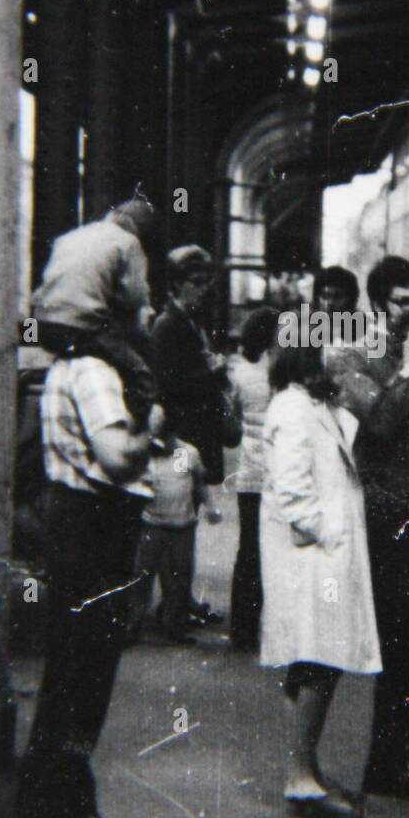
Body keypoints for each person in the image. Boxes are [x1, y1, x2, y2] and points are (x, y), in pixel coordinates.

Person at [10, 352, 160, 818]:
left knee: (82, 675)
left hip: (81, 522)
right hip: (95, 524)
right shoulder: (95, 370)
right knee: (78, 676)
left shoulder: (75, 366)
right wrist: (153, 428)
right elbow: (118, 458)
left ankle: (69, 808)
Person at [334, 257, 409, 804]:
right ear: (380, 302)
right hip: (386, 518)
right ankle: (408, 747)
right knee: (403, 641)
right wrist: (408, 369)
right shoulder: (352, 355)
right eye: (404, 301)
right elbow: (382, 423)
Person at [260, 340, 382, 818]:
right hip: (310, 559)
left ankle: (307, 769)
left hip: (319, 558)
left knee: (319, 660)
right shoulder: (292, 409)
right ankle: (300, 779)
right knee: (316, 661)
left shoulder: (312, 403)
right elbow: (292, 490)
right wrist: (329, 531)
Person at [149, 245, 233, 623]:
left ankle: (179, 600)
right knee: (180, 517)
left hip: (195, 433)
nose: (204, 290)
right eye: (196, 283)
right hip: (183, 438)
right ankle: (175, 604)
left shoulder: (188, 321)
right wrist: (214, 373)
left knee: (186, 516)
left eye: (207, 283)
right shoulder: (169, 326)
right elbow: (170, 382)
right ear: (178, 284)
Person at [31, 199, 158, 425]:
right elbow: (133, 298)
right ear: (138, 228)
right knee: (141, 377)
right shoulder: (128, 242)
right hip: (80, 328)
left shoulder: (69, 237)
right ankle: (131, 440)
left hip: (42, 327)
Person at [133, 433, 220, 643]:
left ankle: (174, 626)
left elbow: (197, 482)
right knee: (141, 578)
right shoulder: (144, 454)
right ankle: (131, 625)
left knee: (180, 577)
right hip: (152, 524)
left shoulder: (184, 453)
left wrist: (210, 507)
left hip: (182, 526)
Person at [229, 306, 278, 651]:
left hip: (248, 470)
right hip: (275, 469)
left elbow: (231, 415)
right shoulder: (278, 372)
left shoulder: (239, 372)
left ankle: (242, 628)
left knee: (248, 550)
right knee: (274, 550)